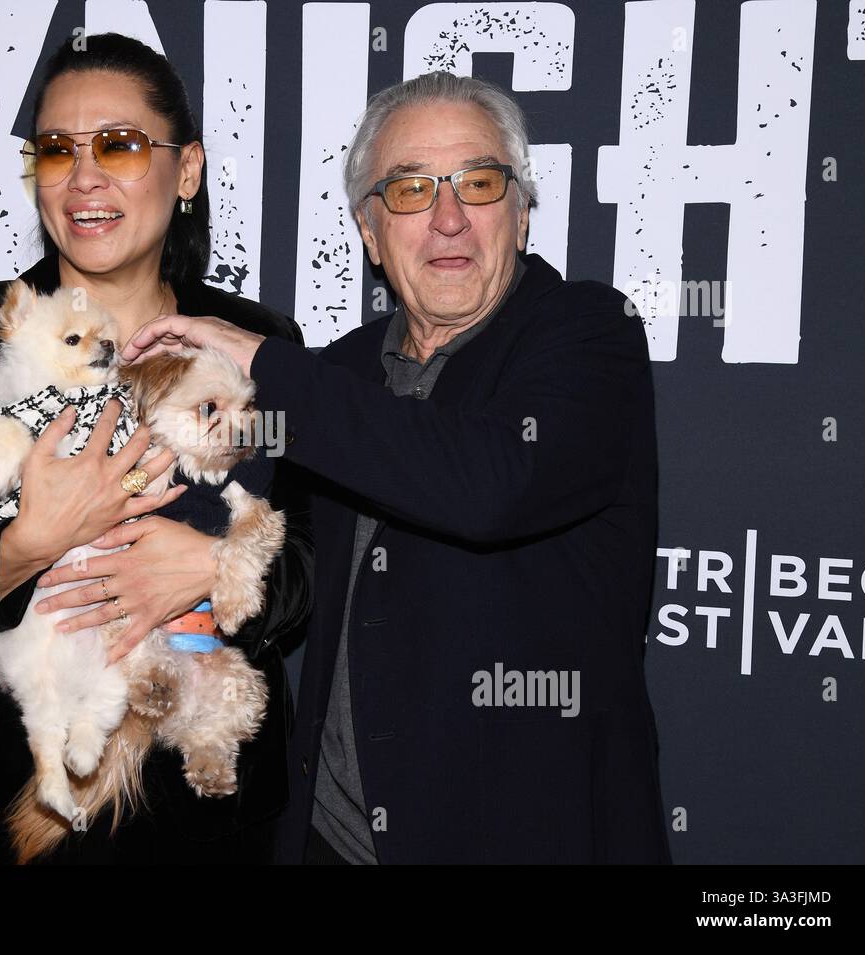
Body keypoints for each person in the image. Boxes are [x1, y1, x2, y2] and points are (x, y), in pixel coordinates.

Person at [122, 71, 672, 864]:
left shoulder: (589, 336)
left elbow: (490, 485)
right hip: (333, 838)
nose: (449, 218)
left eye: (479, 183)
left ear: (520, 216)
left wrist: (262, 358)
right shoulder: (342, 372)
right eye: (411, 190)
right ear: (371, 234)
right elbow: (258, 539)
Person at [0, 32, 313, 864]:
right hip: (12, 806)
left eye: (117, 144)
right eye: (55, 150)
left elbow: (301, 576)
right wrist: (34, 539)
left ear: (186, 172)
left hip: (203, 809)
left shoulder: (257, 340)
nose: (82, 177)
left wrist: (202, 565)